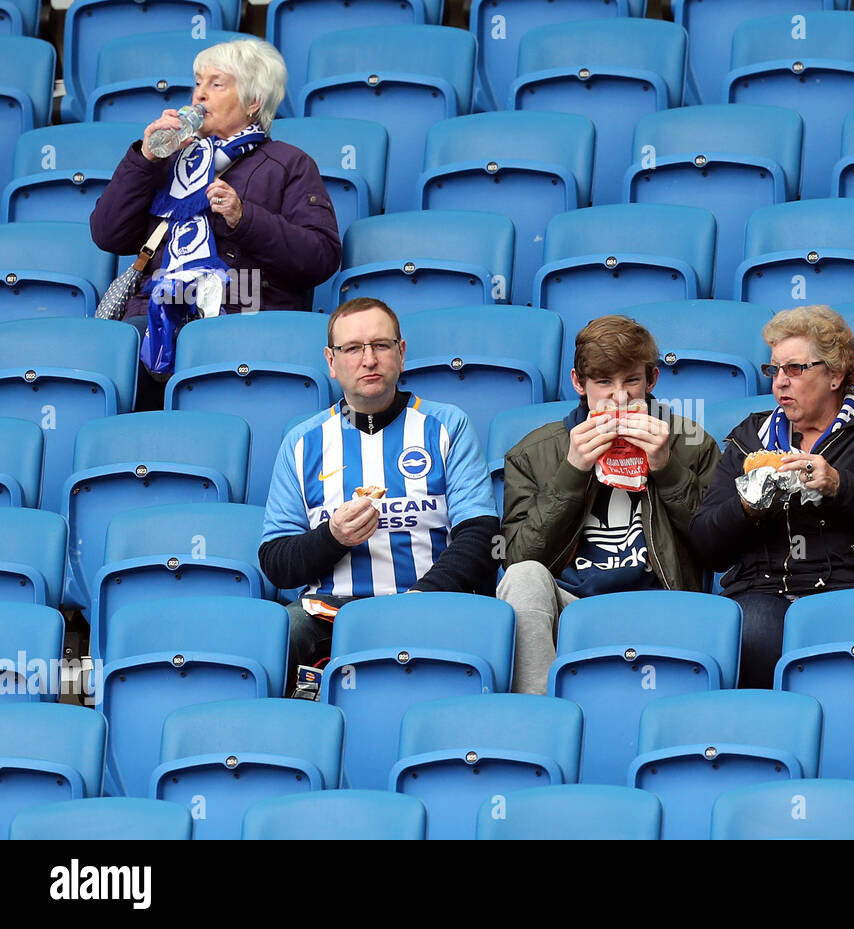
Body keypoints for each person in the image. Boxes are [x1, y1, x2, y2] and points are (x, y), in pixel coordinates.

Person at [259, 298, 499, 693]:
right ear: (331, 362)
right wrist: (332, 538)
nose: (368, 359)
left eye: (381, 346)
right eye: (352, 349)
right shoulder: (302, 442)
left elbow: (482, 533)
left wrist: (424, 596)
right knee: (282, 630)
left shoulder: (446, 425)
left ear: (401, 354)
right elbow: (276, 561)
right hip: (330, 616)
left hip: (430, 604)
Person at [89, 37, 342, 410]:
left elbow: (320, 257)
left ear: (253, 101)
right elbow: (108, 233)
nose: (199, 95)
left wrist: (244, 218)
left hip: (243, 307)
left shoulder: (289, 163)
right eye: (197, 82)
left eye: (216, 83)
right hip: (154, 308)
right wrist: (144, 158)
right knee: (108, 361)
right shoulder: (169, 158)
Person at [691, 305, 854, 689]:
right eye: (774, 370)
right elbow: (706, 545)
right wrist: (746, 509)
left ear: (835, 374)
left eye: (795, 369)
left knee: (845, 638)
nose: (779, 383)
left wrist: (841, 486)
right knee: (748, 632)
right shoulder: (750, 440)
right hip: (766, 590)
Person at [498, 316, 721, 695]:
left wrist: (668, 470)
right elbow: (519, 557)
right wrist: (572, 471)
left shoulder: (692, 443)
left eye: (631, 381)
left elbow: (717, 547)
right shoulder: (532, 453)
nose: (619, 398)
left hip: (664, 603)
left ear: (651, 380)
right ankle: (539, 717)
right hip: (571, 606)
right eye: (603, 382)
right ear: (578, 383)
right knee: (522, 579)